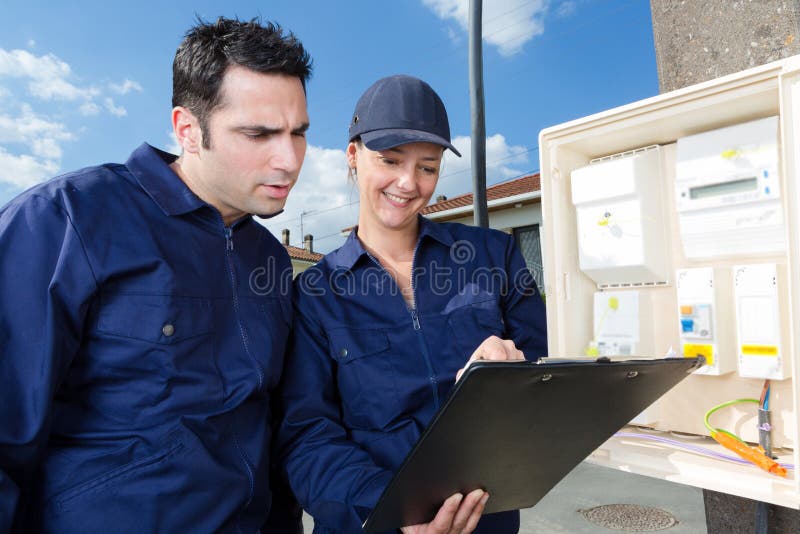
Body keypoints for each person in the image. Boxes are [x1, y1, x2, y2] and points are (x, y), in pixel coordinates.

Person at [0, 17, 310, 532]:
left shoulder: (272, 262)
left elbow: (273, 432)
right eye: (259, 134)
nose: (289, 159)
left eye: (298, 133)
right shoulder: (66, 220)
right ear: (188, 129)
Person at [276, 75, 548, 534]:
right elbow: (306, 435)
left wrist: (518, 378)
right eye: (390, 160)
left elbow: (552, 380)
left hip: (484, 522)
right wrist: (388, 510)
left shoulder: (493, 256)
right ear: (352, 158)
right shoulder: (315, 295)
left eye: (428, 166)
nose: (408, 182)